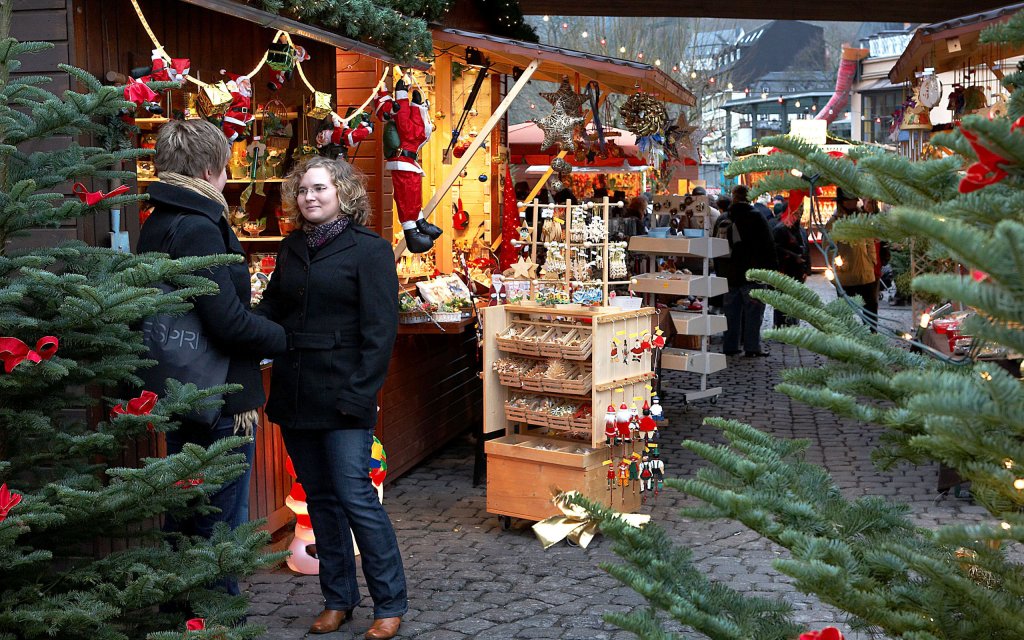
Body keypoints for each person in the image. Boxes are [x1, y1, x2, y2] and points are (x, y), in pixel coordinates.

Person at [256, 156, 406, 639]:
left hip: (345, 394)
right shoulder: (292, 247)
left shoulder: (370, 250)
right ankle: (338, 599)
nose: (310, 197)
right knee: (319, 500)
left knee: (356, 497)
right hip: (297, 391)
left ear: (343, 192)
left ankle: (390, 603)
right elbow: (274, 308)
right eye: (302, 190)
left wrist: (360, 394)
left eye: (320, 188)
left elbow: (381, 332)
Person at [136, 118, 287, 596]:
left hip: (182, 385)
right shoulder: (200, 226)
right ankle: (215, 618)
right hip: (219, 396)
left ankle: (178, 609)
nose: (226, 177)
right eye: (224, 169)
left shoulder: (158, 219)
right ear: (208, 168)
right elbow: (226, 321)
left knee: (188, 507)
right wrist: (286, 337)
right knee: (218, 520)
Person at [720, 184, 778, 357]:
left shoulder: (725, 218)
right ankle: (752, 347)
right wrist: (771, 271)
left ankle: (730, 346)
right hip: (754, 274)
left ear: (733, 197)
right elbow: (768, 245)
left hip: (730, 275)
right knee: (754, 313)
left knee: (731, 314)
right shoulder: (757, 217)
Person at [828, 187, 879, 328]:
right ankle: (848, 338)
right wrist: (839, 264)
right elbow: (829, 247)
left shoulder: (862, 217)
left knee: (871, 308)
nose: (857, 201)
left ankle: (872, 337)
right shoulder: (834, 222)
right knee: (845, 311)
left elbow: (869, 241)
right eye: (853, 199)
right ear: (844, 202)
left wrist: (872, 260)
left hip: (866, 274)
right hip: (845, 275)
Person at [769, 194, 809, 328]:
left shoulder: (801, 229)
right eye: (797, 211)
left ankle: (793, 323)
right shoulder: (780, 229)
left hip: (798, 271)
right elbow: (775, 248)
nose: (800, 214)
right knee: (782, 299)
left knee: (795, 298)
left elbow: (806, 248)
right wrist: (793, 256)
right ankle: (781, 326)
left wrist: (807, 268)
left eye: (801, 211)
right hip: (785, 270)